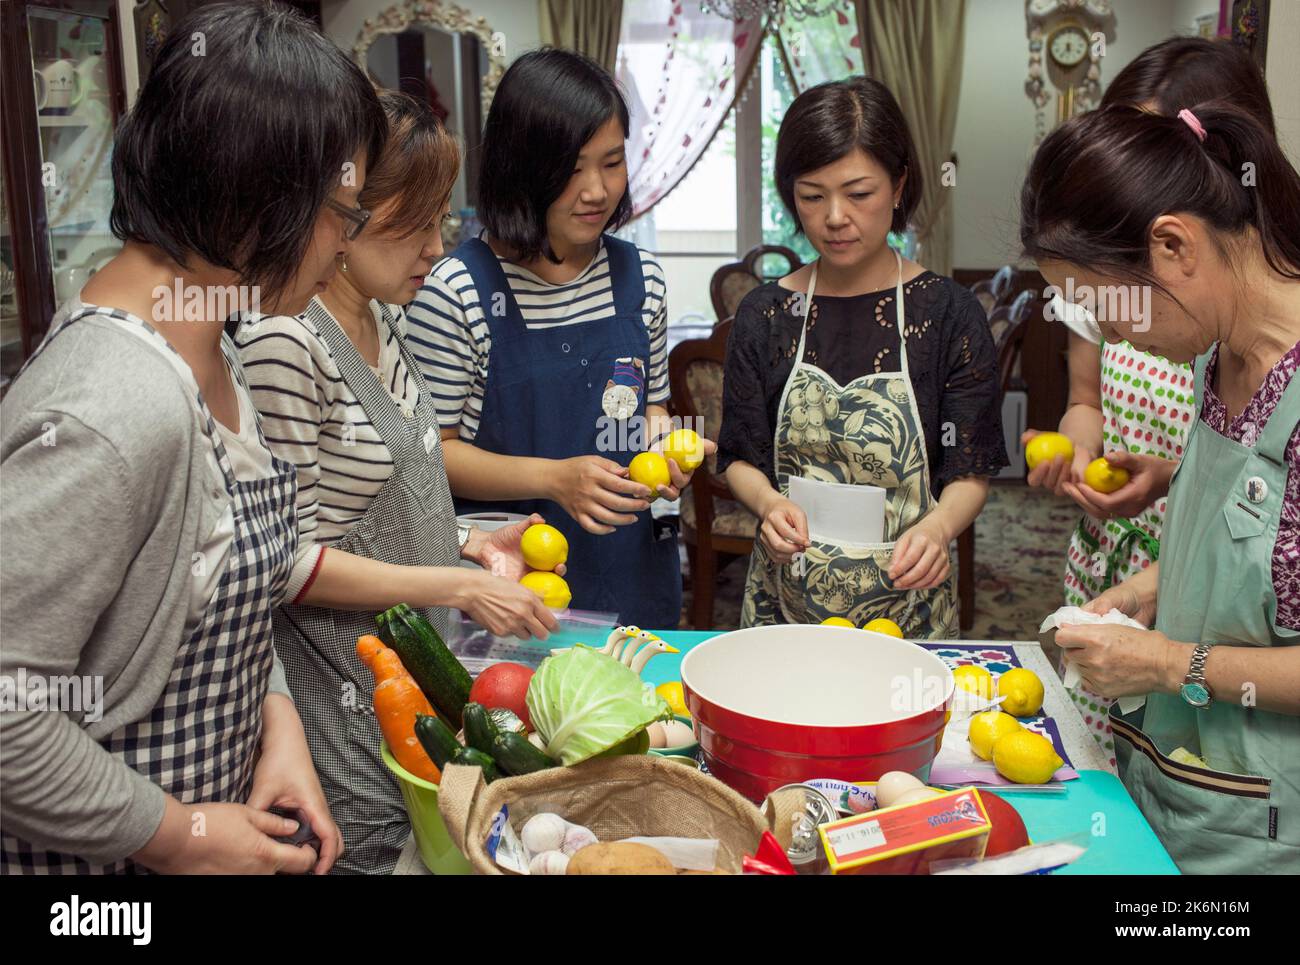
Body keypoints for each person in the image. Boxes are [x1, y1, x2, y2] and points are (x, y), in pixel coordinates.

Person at [0, 1, 383, 873]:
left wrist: (276, 728)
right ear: (258, 200)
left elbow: (209, 602)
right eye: (342, 211)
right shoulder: (114, 408)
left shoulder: (208, 331)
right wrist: (181, 836)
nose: (347, 243)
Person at [236, 91, 559, 873]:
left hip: (409, 671)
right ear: (343, 218)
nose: (437, 249)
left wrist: (470, 540)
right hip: (339, 694)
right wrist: (456, 585)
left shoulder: (385, 315)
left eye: (442, 221)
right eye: (414, 225)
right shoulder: (285, 337)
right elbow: (283, 560)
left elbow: (374, 501)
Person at [1020, 97, 1300, 872]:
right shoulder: (1223, 358)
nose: (1110, 337)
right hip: (1191, 792)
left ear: (1172, 245)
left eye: (1104, 306)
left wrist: (1170, 664)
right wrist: (1152, 585)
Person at [406, 49, 710, 630]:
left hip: (633, 567)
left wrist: (672, 447)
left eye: (612, 162)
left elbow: (647, 408)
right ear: (521, 167)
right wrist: (554, 478)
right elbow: (432, 455)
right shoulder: (456, 289)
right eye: (572, 168)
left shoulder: (641, 277)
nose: (597, 191)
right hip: (514, 583)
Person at [717, 77, 1007, 636]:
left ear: (899, 187)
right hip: (787, 605)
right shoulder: (765, 314)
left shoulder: (948, 313)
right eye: (811, 195)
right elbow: (739, 456)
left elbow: (968, 469)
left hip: (909, 604)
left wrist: (939, 528)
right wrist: (766, 505)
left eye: (858, 193)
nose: (833, 217)